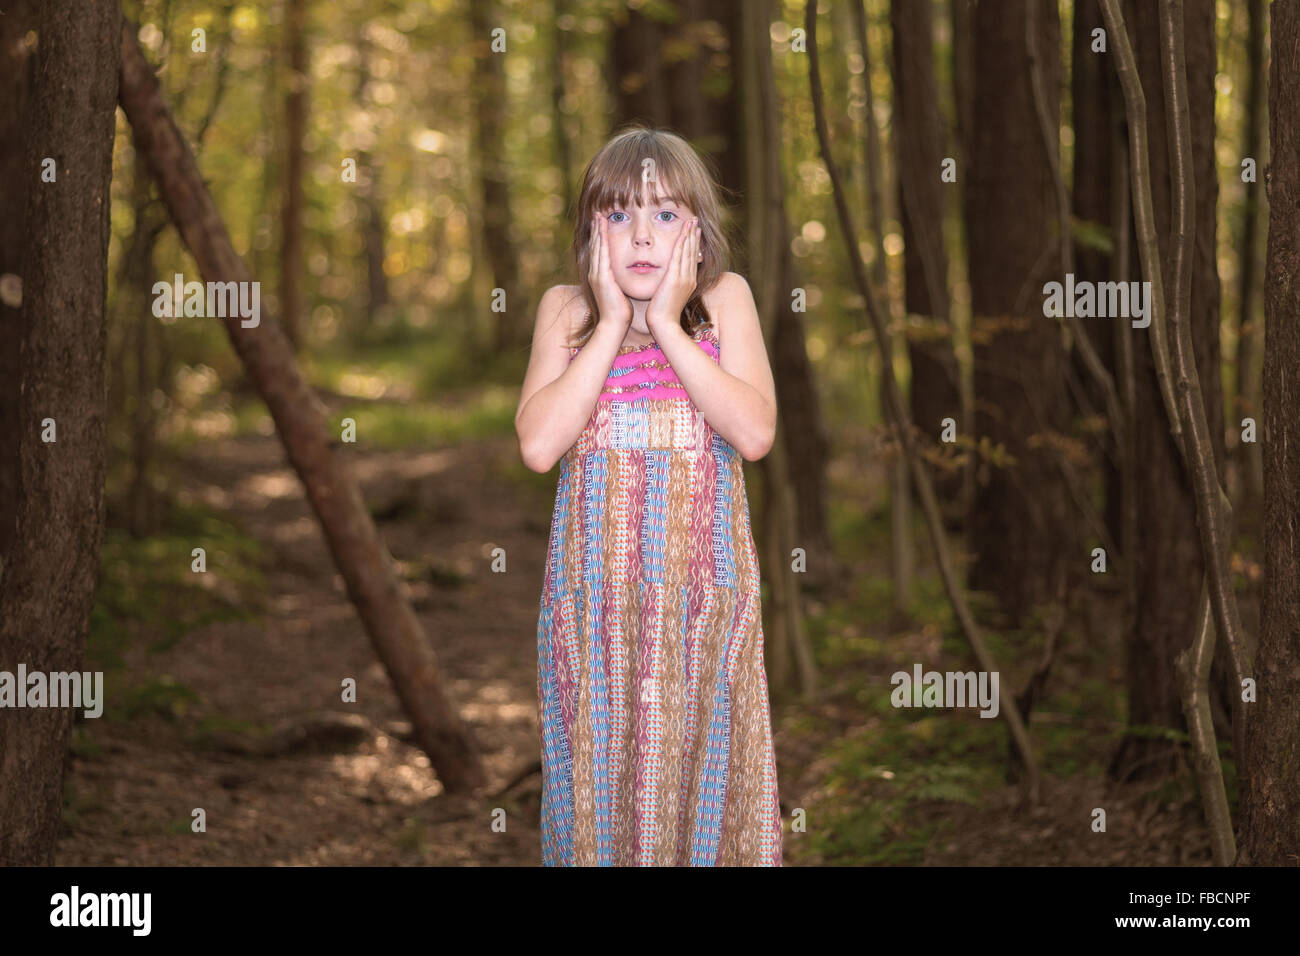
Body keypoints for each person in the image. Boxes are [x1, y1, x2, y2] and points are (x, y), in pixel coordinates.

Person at [515, 126, 782, 866]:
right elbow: (539, 446)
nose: (641, 234)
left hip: (704, 607)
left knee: (703, 800)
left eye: (665, 214)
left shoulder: (725, 303)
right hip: (594, 612)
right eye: (619, 213)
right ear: (591, 228)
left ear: (696, 229)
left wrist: (666, 323)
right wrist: (609, 325)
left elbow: (754, 432)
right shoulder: (565, 313)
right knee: (600, 810)